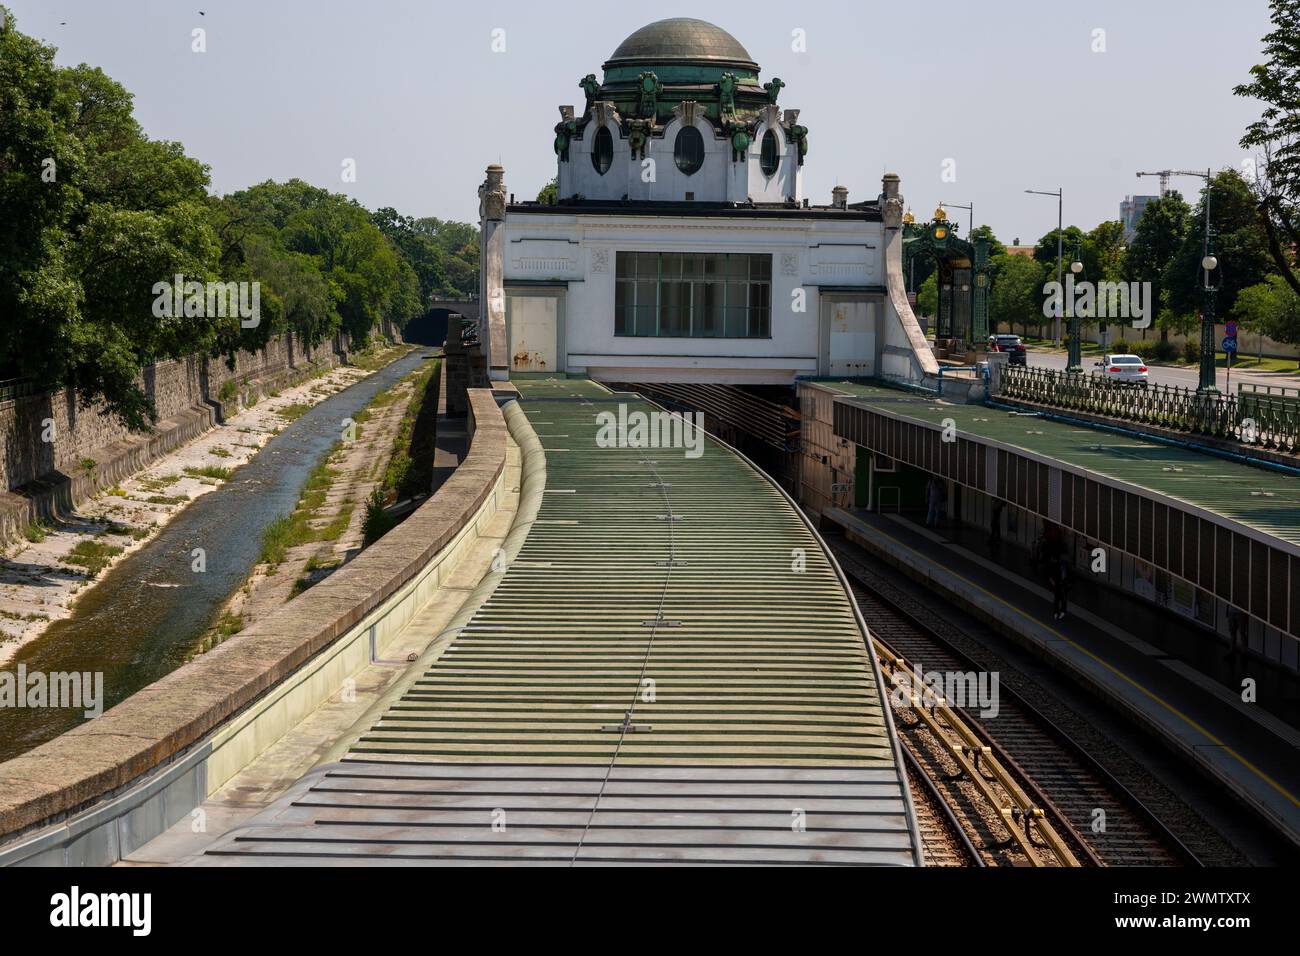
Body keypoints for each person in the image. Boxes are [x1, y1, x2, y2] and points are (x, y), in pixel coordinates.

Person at [1049, 552, 1070, 621]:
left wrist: (1052, 581)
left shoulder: (1057, 565)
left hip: (1060, 584)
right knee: (1061, 599)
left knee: (1058, 599)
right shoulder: (1062, 565)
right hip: (1061, 584)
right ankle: (1061, 612)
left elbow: (1052, 575)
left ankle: (1058, 612)